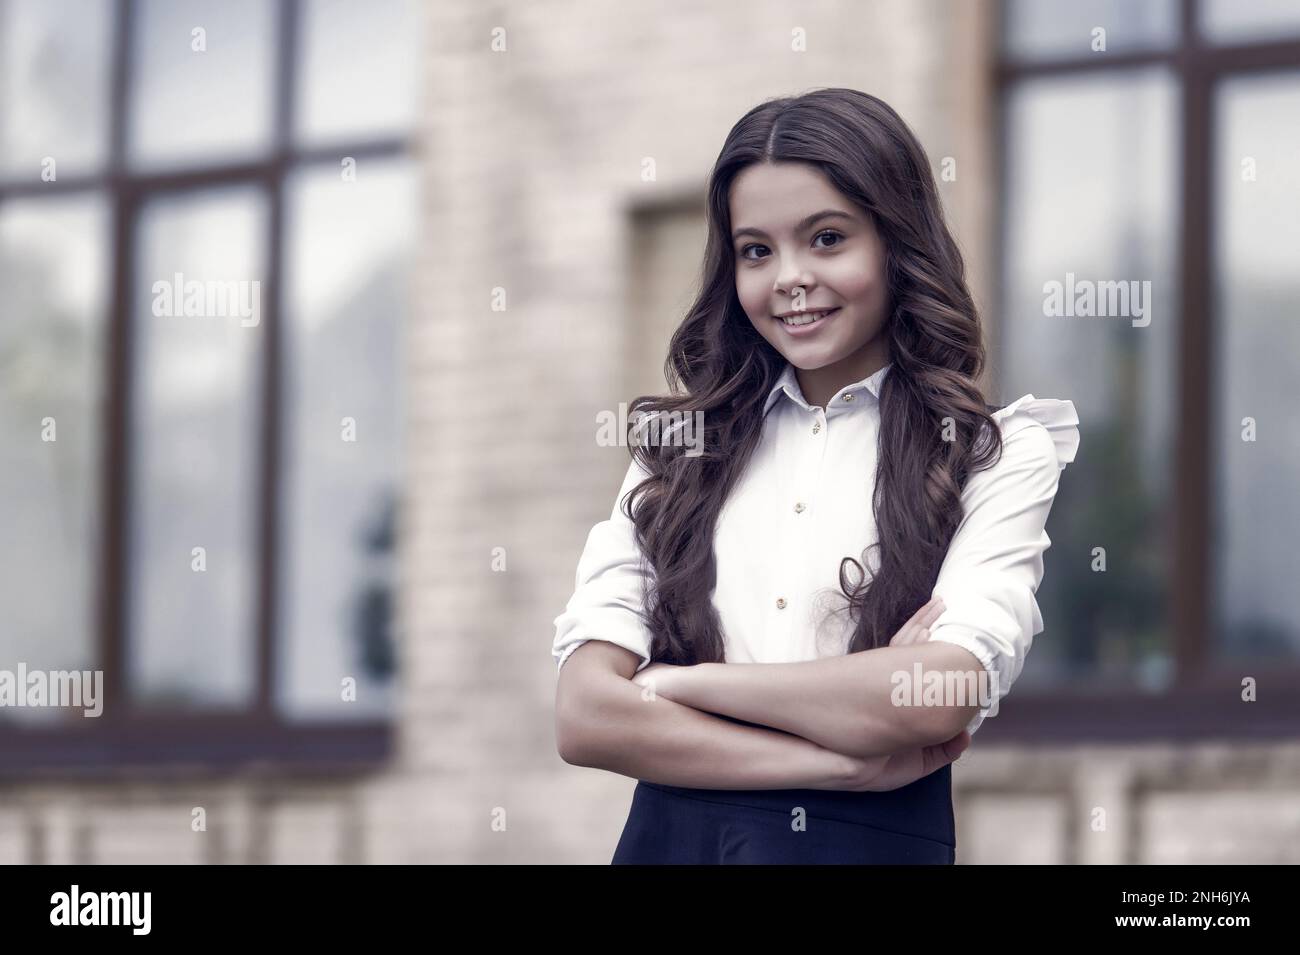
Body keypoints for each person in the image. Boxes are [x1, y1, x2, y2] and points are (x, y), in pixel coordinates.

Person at [552, 87, 1080, 864]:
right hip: (673, 843)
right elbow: (585, 717)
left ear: (896, 243)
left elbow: (940, 692)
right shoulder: (678, 447)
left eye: (827, 238)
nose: (789, 277)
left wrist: (678, 685)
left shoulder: (992, 451)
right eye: (756, 250)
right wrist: (838, 756)